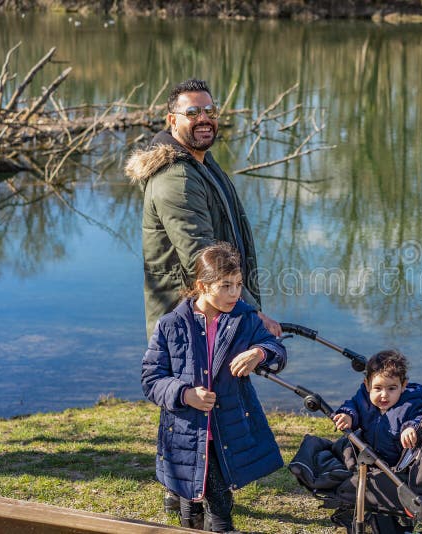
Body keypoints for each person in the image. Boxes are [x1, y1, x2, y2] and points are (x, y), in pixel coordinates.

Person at [141, 242, 286, 532]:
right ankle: (191, 522)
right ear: (202, 285)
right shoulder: (170, 325)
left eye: (239, 285)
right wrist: (184, 394)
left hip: (227, 425)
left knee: (219, 495)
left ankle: (221, 526)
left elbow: (277, 351)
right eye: (226, 286)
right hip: (184, 428)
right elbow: (151, 379)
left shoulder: (243, 320)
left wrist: (259, 353)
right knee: (188, 494)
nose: (235, 293)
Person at [125, 78, 281, 341]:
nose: (204, 119)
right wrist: (249, 312)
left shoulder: (201, 163)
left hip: (215, 320)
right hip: (187, 332)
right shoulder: (176, 178)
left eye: (210, 112)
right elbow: (202, 256)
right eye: (193, 113)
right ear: (172, 121)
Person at [333, 350, 422, 467]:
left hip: (394, 464)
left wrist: (411, 427)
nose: (384, 395)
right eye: (378, 388)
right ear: (367, 385)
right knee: (342, 450)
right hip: (368, 453)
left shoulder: (411, 403)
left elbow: (420, 417)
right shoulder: (364, 397)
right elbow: (353, 406)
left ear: (403, 385)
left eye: (392, 388)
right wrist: (348, 415)